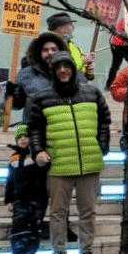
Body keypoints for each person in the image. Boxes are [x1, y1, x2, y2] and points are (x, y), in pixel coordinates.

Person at [29, 51, 111, 254]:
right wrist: (37, 151)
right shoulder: (42, 97)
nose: (63, 70)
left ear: (74, 69)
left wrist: (102, 144)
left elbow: (105, 119)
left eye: (67, 66)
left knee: (88, 212)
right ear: (53, 71)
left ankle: (86, 252)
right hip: (58, 164)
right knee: (57, 213)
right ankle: (59, 253)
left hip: (89, 163)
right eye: (58, 67)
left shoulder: (92, 93)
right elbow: (34, 128)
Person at [13, 32, 85, 242]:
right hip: (32, 138)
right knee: (32, 187)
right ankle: (30, 228)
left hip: (62, 136)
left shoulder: (74, 74)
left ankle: (64, 227)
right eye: (45, 50)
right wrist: (11, 93)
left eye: (54, 49)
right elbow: (17, 104)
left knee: (61, 188)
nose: (49, 53)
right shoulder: (26, 74)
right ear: (38, 52)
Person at [3, 125, 47, 254]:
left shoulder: (36, 155)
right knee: (18, 229)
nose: (22, 139)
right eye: (20, 137)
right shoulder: (14, 157)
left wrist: (40, 160)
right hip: (19, 200)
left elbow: (43, 175)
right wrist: (8, 200)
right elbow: (9, 181)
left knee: (32, 230)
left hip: (36, 199)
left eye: (26, 136)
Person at [46, 13, 96, 82]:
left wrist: (89, 72)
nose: (73, 27)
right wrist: (83, 61)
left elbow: (82, 73)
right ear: (61, 28)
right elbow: (59, 69)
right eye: (70, 25)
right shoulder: (50, 47)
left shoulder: (71, 44)